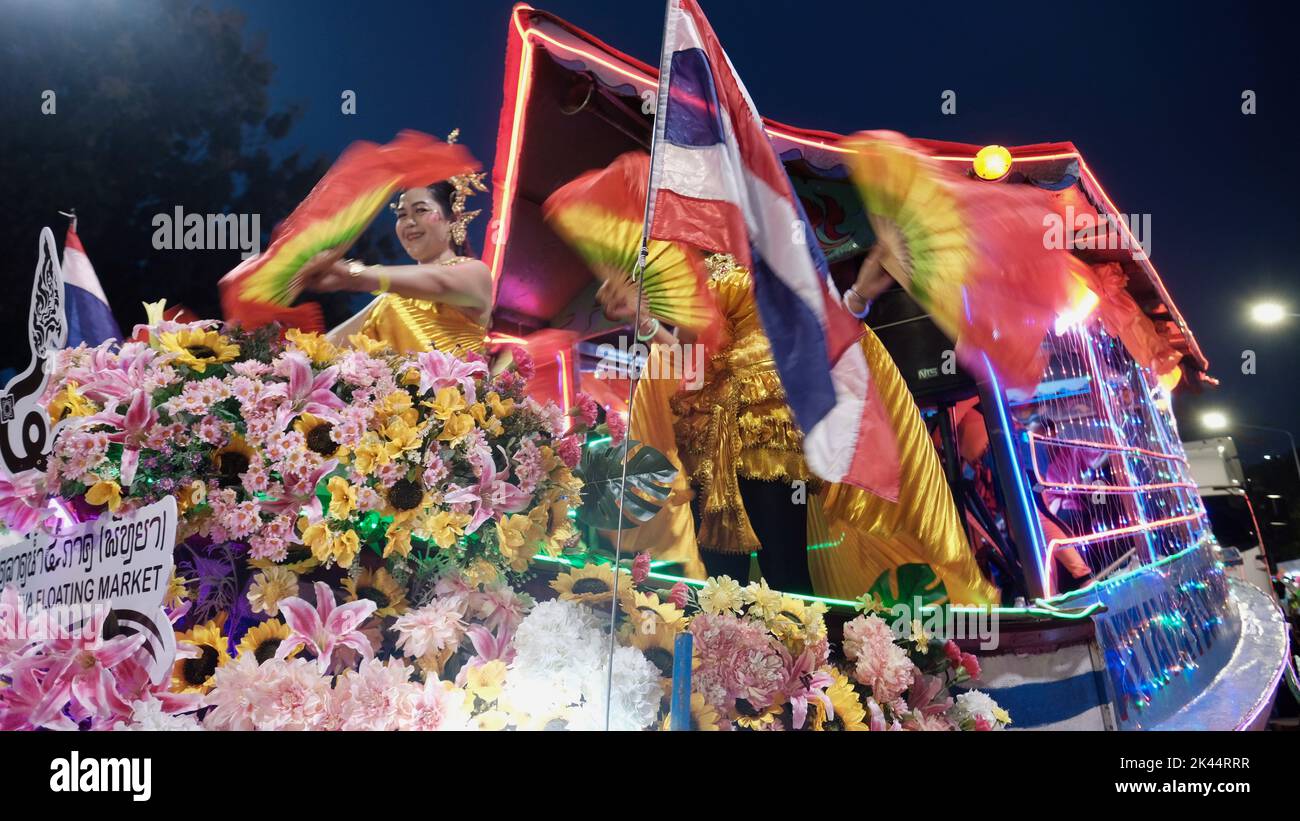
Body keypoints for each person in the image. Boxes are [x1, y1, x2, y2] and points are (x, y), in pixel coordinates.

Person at [596, 249, 894, 595]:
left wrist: (858, 297)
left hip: (767, 424)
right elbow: (688, 362)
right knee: (722, 579)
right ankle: (727, 647)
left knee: (784, 568)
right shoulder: (693, 263)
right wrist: (644, 322)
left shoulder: (779, 238)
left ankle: (799, 647)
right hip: (706, 429)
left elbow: (817, 335)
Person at [300, 179, 492, 356]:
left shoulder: (476, 273)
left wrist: (354, 275)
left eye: (421, 210)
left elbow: (439, 281)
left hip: (452, 393)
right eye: (402, 214)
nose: (409, 222)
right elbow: (329, 347)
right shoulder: (392, 297)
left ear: (453, 219)